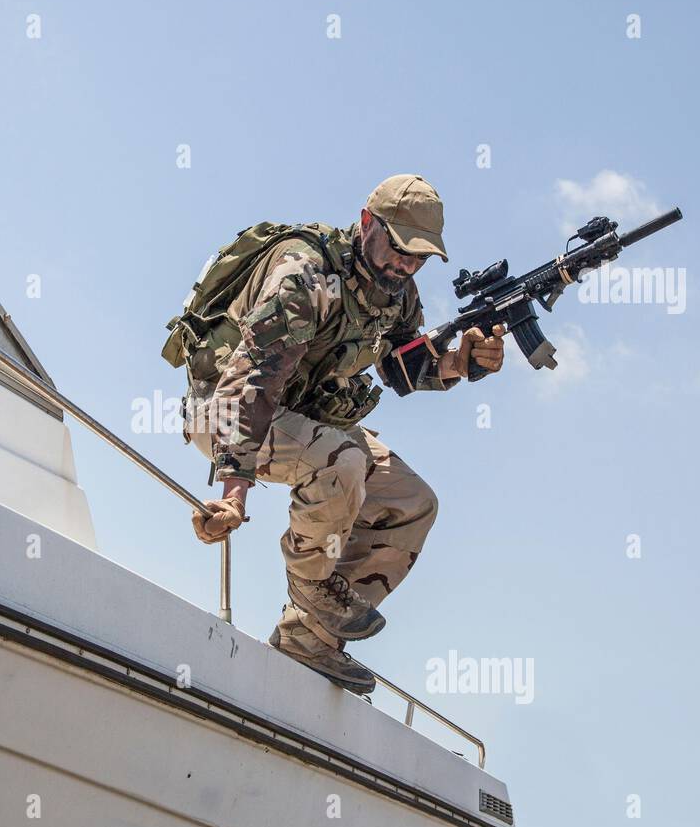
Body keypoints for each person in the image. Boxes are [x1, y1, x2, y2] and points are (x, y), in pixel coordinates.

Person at [184, 175, 505, 694]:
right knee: (342, 462)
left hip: (306, 420)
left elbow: (404, 367)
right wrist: (234, 497)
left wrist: (461, 363)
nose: (405, 264)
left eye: (419, 257)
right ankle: (313, 585)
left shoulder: (396, 294)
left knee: (412, 501)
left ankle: (307, 638)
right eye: (399, 248)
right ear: (365, 224)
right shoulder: (304, 274)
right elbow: (253, 381)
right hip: (224, 412)